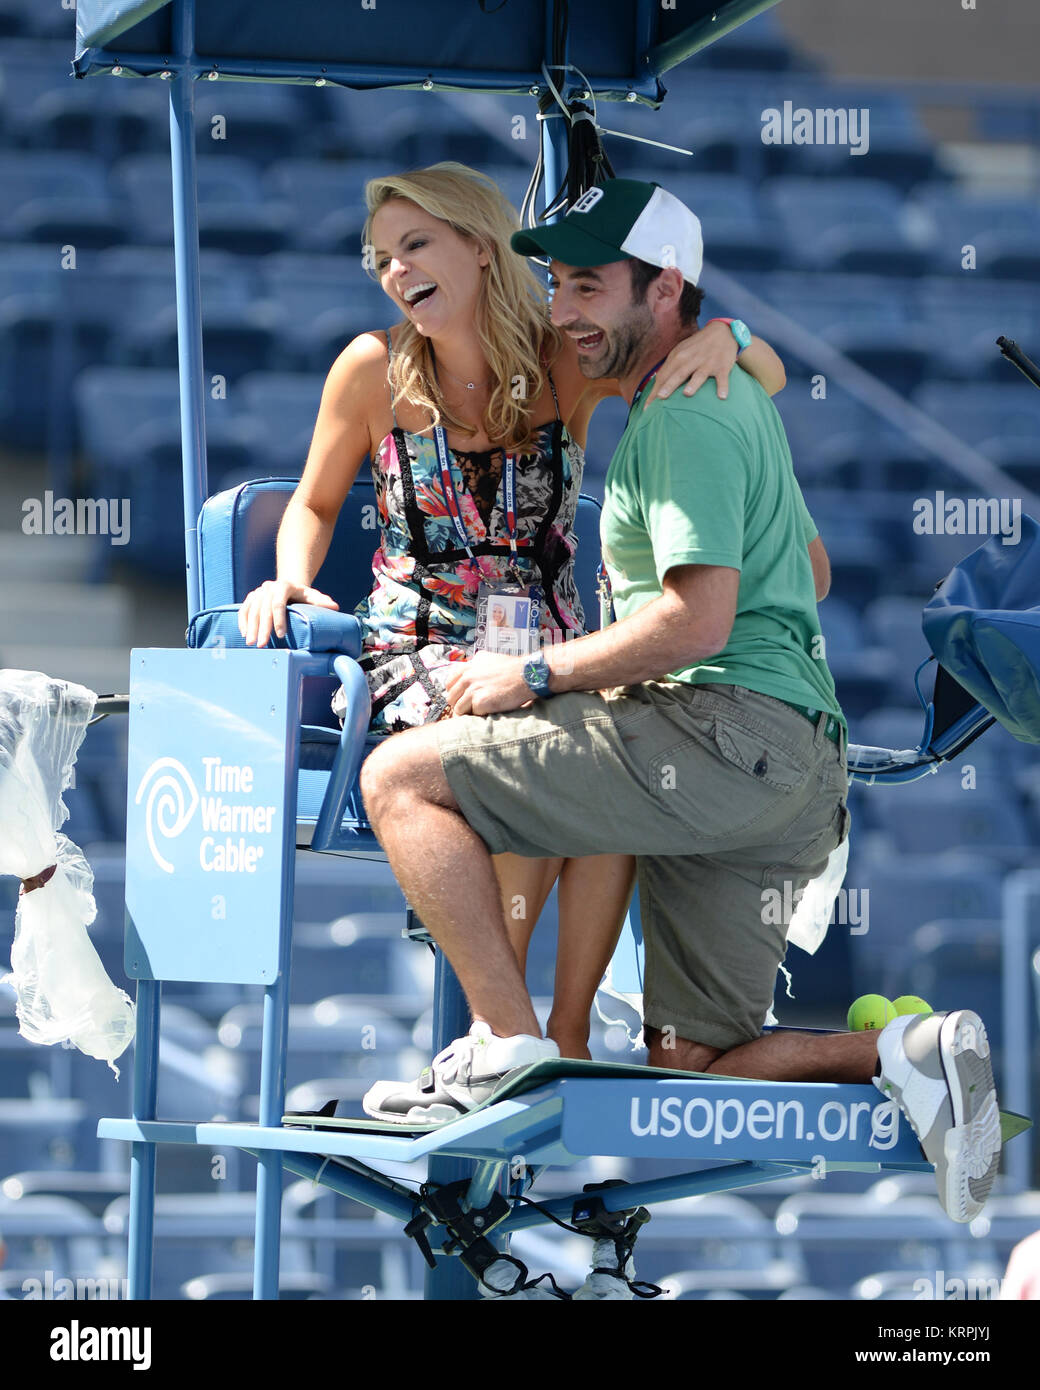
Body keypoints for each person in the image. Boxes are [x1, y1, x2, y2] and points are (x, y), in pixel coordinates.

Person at [358, 178, 1002, 1224]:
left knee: (401, 777)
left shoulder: (684, 418)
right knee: (689, 1064)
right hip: (787, 768)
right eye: (557, 283)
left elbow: (698, 623)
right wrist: (738, 340)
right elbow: (815, 567)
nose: (565, 308)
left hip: (716, 731)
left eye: (590, 285)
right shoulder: (719, 393)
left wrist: (531, 673)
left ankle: (507, 1042)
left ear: (663, 291)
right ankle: (904, 1049)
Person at [238, 163, 788, 1060]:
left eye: (416, 244)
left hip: (552, 644)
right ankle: (511, 1026)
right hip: (419, 647)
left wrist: (726, 336)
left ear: (481, 248)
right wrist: (290, 576)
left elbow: (767, 373)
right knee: (516, 751)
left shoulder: (564, 356)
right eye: (382, 256)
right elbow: (312, 504)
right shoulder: (372, 367)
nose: (395, 270)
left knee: (604, 757)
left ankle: (565, 1034)